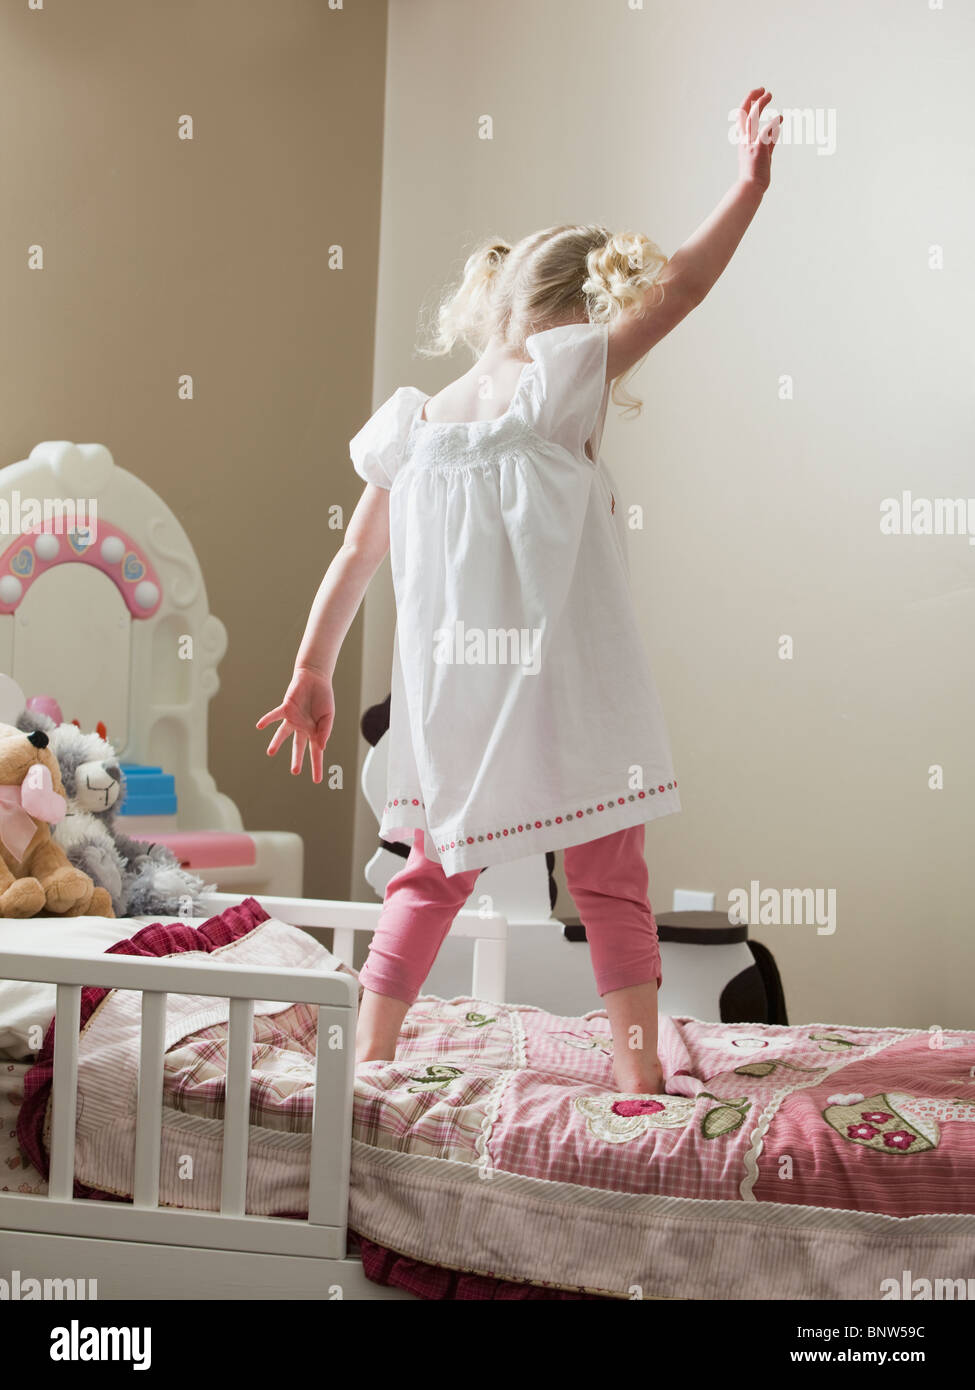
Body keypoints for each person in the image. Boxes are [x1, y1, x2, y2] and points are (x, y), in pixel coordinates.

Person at [258, 87, 781, 1094]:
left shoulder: (414, 422)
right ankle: (637, 1079)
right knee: (609, 882)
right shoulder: (559, 380)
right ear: (584, 314)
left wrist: (312, 666)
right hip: (573, 694)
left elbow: (356, 557)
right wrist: (748, 183)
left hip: (459, 698)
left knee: (431, 870)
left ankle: (368, 1060)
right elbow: (683, 292)